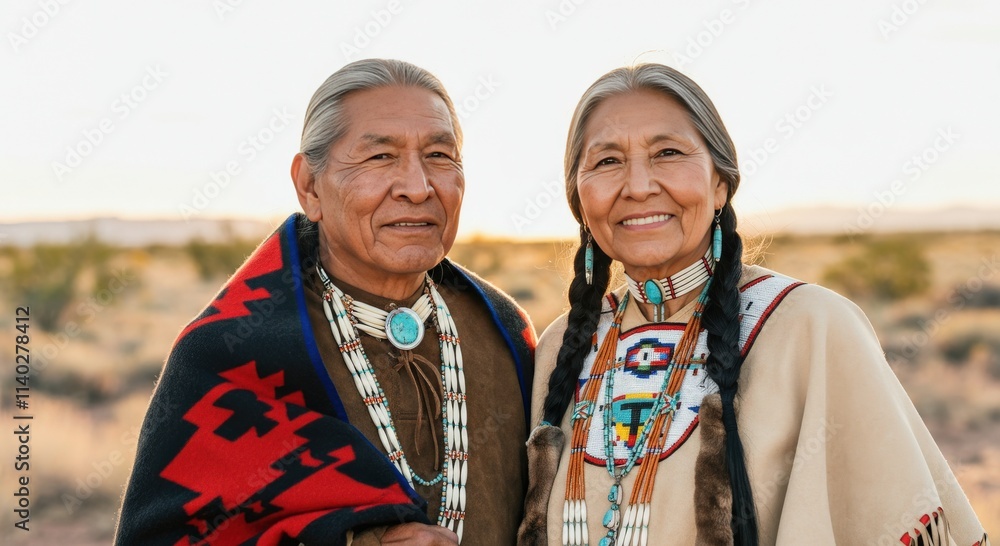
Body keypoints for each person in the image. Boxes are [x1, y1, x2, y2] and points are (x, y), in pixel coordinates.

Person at [517, 64, 989, 546]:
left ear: (720, 181)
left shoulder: (812, 328)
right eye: (607, 162)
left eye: (668, 153)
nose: (638, 186)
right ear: (579, 196)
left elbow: (889, 515)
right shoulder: (562, 349)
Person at [115, 59, 536, 546]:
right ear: (309, 186)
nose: (418, 187)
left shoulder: (504, 332)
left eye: (440, 155)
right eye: (380, 158)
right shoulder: (230, 354)